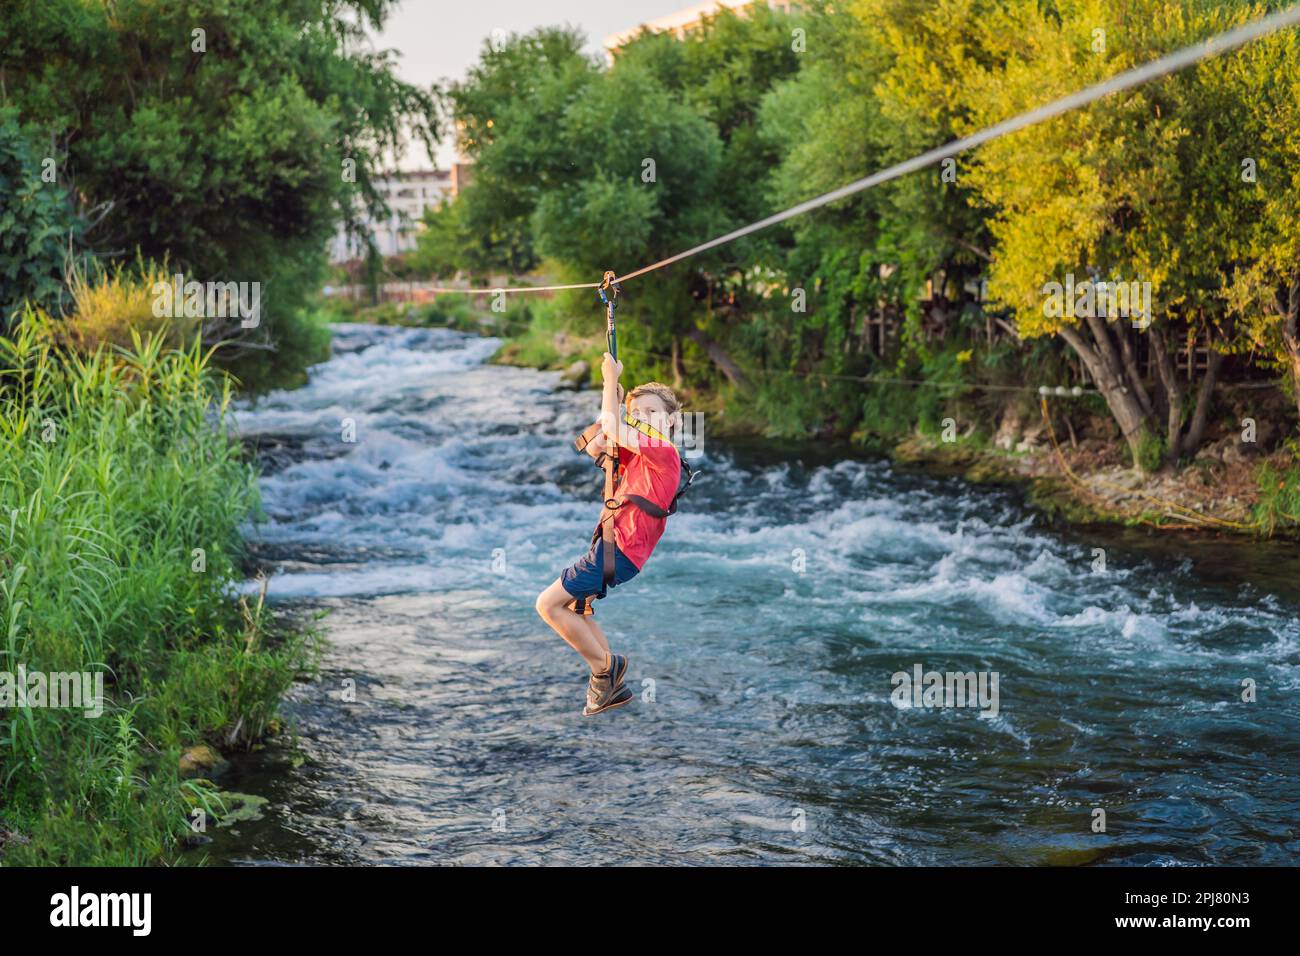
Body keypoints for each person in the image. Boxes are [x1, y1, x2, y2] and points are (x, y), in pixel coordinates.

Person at [535, 351, 683, 716]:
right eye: (637, 415)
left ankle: (604, 670)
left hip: (619, 551)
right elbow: (599, 443)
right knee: (574, 608)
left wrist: (609, 380)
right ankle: (608, 678)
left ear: (673, 420)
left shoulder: (664, 451)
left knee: (547, 605)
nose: (643, 419)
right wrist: (614, 405)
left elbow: (615, 431)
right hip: (616, 549)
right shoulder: (639, 454)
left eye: (652, 413)